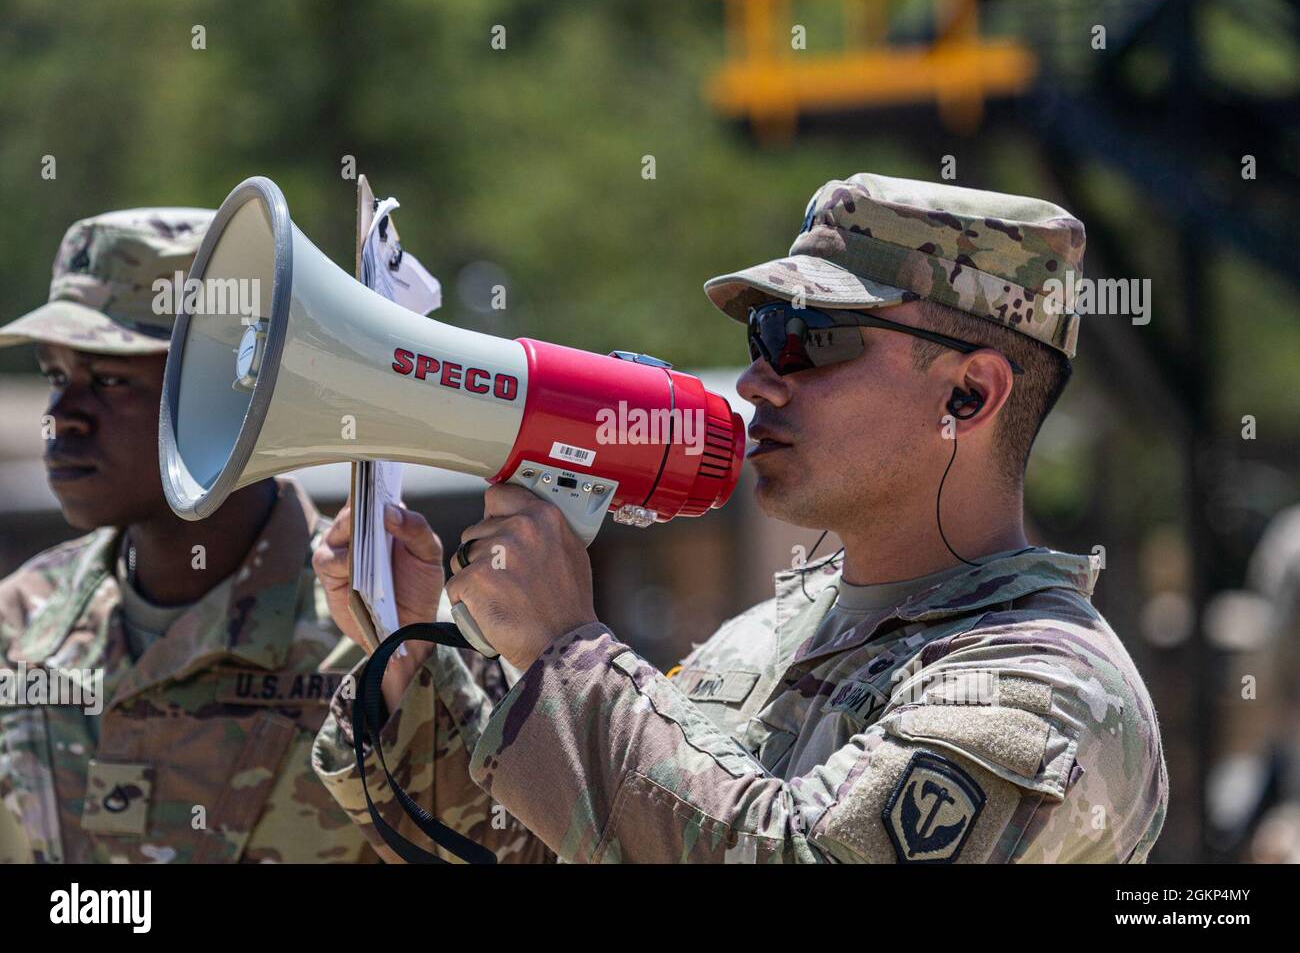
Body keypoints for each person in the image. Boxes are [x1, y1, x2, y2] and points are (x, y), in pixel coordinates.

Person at [310, 173, 1168, 863]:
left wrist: (569, 650)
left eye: (810, 338)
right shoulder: (768, 635)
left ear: (969, 394)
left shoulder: (1041, 688)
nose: (758, 380)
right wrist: (412, 650)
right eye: (763, 336)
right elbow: (544, 843)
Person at [0, 208, 376, 863]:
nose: (61, 419)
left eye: (110, 379)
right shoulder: (19, 627)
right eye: (56, 376)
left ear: (233, 391)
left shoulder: (376, 644)